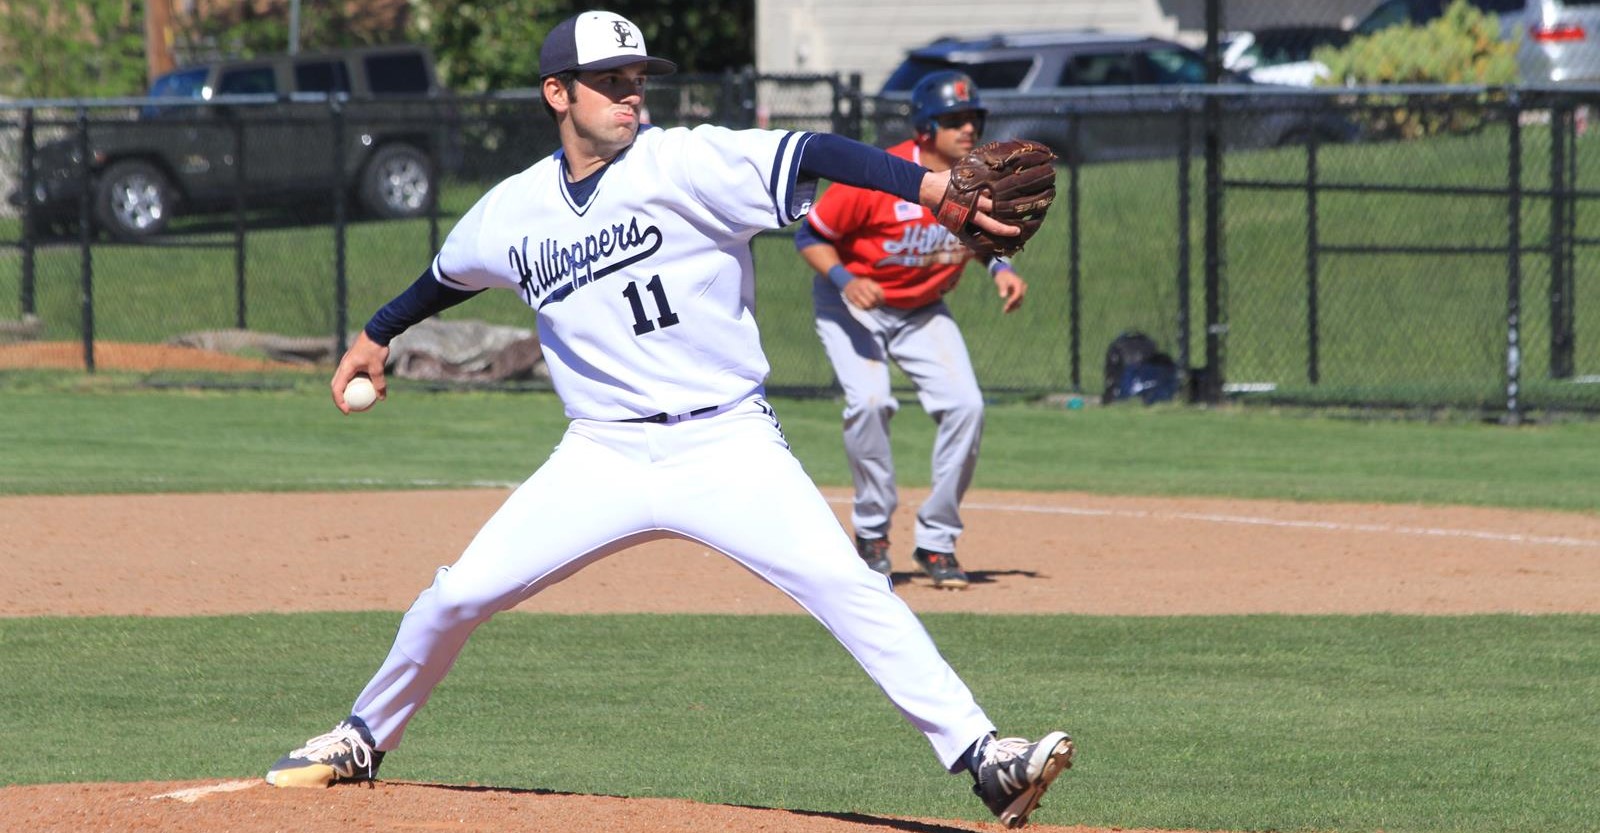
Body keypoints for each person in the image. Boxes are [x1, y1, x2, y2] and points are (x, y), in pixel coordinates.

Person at [264, 11, 1073, 829]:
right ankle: (363, 735)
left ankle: (985, 757)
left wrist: (933, 190)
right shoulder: (512, 210)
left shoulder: (687, 159)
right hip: (600, 453)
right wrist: (376, 335)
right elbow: (445, 277)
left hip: (726, 441)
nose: (630, 94)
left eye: (636, 79)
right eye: (609, 81)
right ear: (557, 94)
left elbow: (816, 152)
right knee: (457, 594)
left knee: (848, 585)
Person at [795, 70, 1025, 589]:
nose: (968, 128)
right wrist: (845, 279)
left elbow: (979, 236)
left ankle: (936, 542)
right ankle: (872, 533)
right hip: (853, 305)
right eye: (953, 119)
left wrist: (1001, 269)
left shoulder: (980, 178)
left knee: (966, 406)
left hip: (922, 308)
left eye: (973, 118)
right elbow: (810, 235)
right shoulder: (886, 173)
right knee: (871, 402)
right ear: (925, 126)